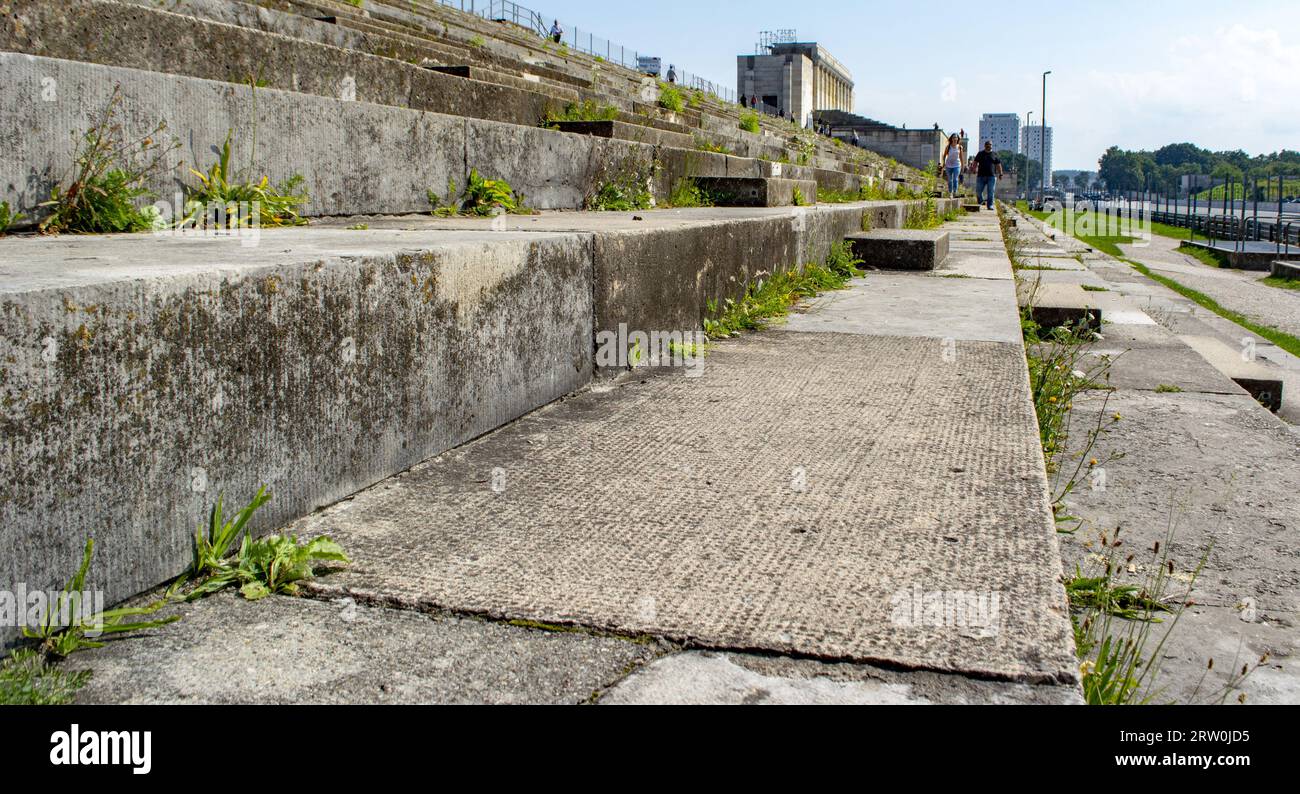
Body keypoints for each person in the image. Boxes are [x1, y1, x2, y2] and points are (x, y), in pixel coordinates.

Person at [973, 141, 1003, 210]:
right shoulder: (980, 154)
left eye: (990, 145)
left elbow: (998, 165)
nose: (988, 146)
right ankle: (981, 201)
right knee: (978, 191)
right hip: (981, 176)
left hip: (991, 176)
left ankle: (990, 205)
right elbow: (975, 162)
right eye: (987, 144)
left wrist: (1000, 173)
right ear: (984, 145)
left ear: (992, 146)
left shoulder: (995, 154)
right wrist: (974, 169)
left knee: (991, 191)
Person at [942, 133, 964, 198]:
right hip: (948, 165)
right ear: (951, 138)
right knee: (950, 180)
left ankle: (955, 191)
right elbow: (944, 156)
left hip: (957, 165)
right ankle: (950, 192)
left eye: (956, 137)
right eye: (953, 137)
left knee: (955, 179)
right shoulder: (948, 147)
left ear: (957, 139)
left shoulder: (960, 147)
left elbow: (961, 157)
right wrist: (944, 163)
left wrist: (962, 166)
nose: (955, 138)